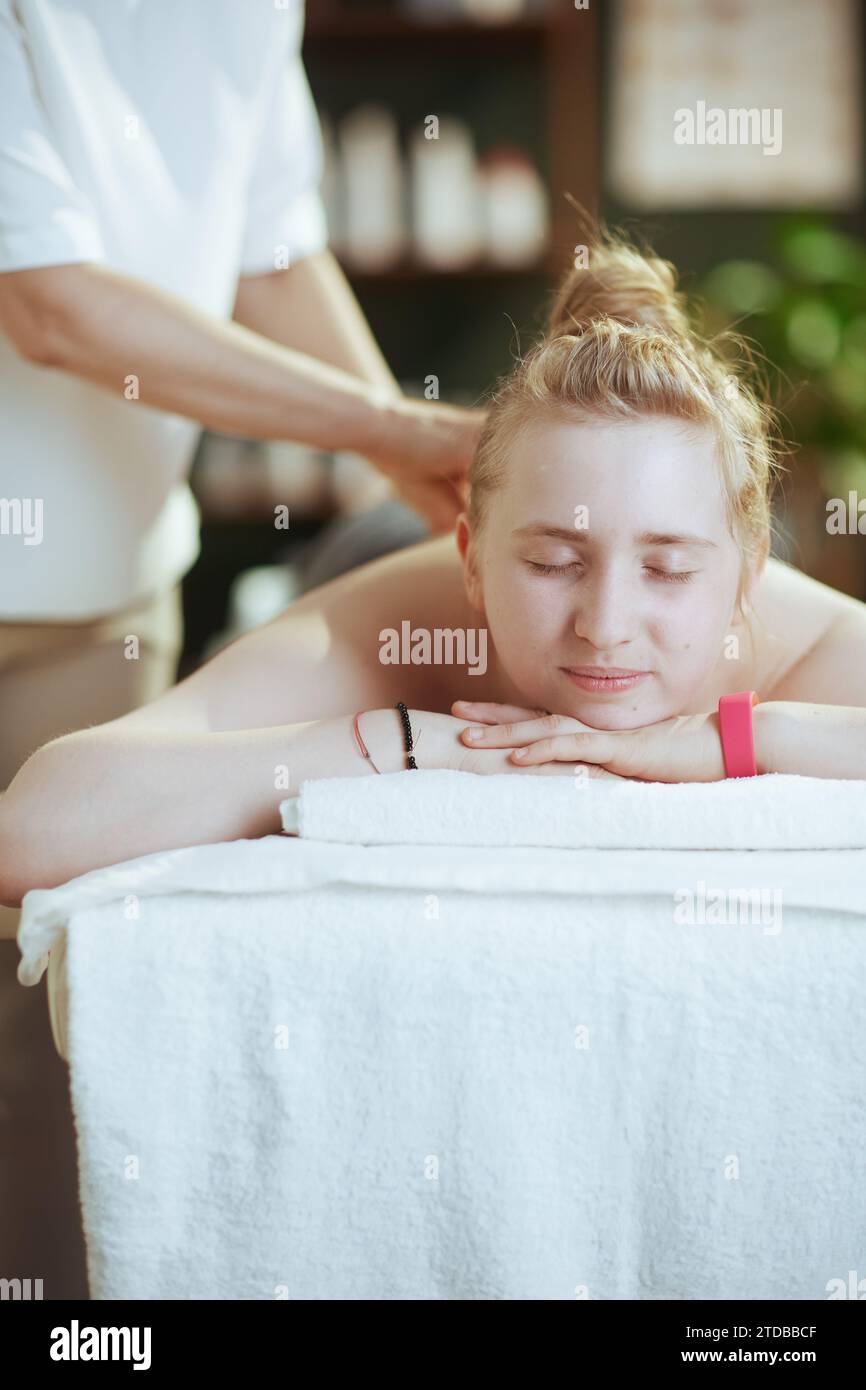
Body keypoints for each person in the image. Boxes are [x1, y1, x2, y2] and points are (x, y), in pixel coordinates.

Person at [0, 0, 479, 1297]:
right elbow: (50, 305)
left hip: (106, 582)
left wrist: (404, 459)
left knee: (58, 1019)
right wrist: (397, 425)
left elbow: (271, 255)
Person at [3, 224, 866, 904]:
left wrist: (743, 739)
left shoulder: (809, 647)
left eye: (670, 570)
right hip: (371, 545)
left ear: (748, 575)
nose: (604, 625)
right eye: (554, 562)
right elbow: (34, 830)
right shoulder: (391, 629)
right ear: (474, 562)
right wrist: (408, 742)